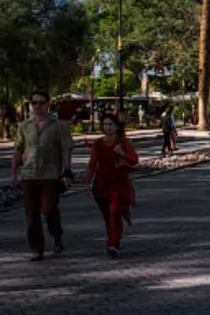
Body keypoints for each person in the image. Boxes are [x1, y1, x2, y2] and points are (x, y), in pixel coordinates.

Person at [9, 89, 74, 261]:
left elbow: (66, 149)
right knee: (32, 214)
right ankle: (37, 248)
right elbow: (18, 150)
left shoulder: (58, 126)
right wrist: (13, 173)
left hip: (50, 175)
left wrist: (66, 171)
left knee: (49, 209)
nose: (37, 106)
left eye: (41, 102)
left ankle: (56, 234)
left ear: (47, 104)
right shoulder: (24, 126)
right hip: (29, 175)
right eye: (34, 103)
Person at [83, 113, 139, 258]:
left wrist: (121, 153)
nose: (107, 128)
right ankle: (115, 239)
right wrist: (87, 182)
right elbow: (92, 163)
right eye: (105, 125)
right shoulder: (98, 143)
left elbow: (134, 160)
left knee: (115, 211)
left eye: (110, 125)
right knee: (109, 216)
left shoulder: (122, 142)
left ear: (116, 127)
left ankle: (112, 243)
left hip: (119, 183)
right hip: (101, 184)